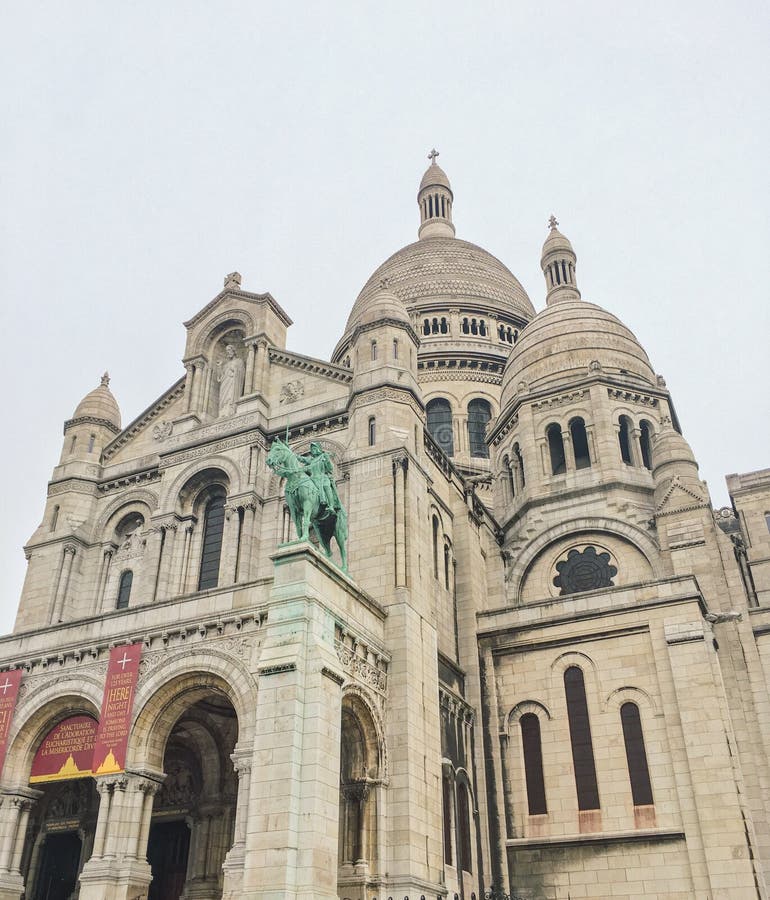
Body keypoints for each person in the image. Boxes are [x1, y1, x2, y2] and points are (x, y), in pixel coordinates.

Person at [300, 442, 341, 515]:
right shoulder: (311, 460)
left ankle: (331, 506)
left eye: (315, 448)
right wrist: (291, 454)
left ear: (318, 449)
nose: (313, 450)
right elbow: (302, 459)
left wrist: (327, 460)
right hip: (313, 479)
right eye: (312, 449)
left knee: (326, 486)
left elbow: (329, 468)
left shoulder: (323, 456)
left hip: (323, 477)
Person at [216, 345, 245, 417]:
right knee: (224, 398)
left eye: (229, 350)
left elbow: (241, 374)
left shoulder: (239, 361)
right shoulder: (226, 365)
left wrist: (234, 369)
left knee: (230, 397)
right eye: (227, 351)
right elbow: (221, 377)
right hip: (225, 383)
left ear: (233, 351)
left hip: (233, 383)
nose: (228, 352)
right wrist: (219, 366)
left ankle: (230, 411)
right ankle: (223, 413)